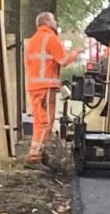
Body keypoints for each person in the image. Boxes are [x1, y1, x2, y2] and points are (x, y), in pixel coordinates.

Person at [24, 11, 75, 162]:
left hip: (34, 86)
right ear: (46, 22)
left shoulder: (33, 40)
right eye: (54, 20)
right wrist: (75, 53)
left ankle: (39, 151)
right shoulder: (50, 38)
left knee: (39, 121)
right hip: (45, 87)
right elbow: (63, 59)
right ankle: (34, 156)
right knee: (45, 122)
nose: (56, 23)